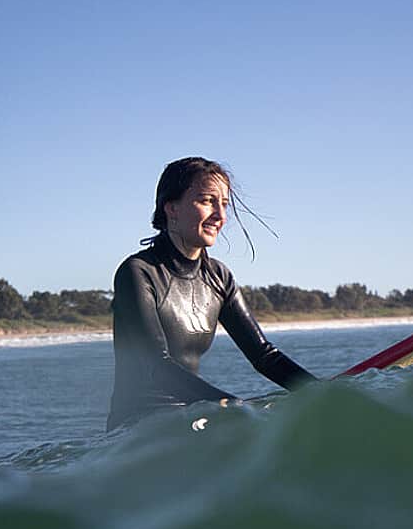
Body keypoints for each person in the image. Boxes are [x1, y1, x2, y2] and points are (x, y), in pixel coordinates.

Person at [107, 156, 317, 430]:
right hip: (138, 429)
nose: (220, 216)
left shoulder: (219, 278)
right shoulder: (138, 272)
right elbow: (155, 365)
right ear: (171, 208)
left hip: (192, 421)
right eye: (207, 201)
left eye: (224, 204)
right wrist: (232, 406)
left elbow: (265, 356)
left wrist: (321, 392)